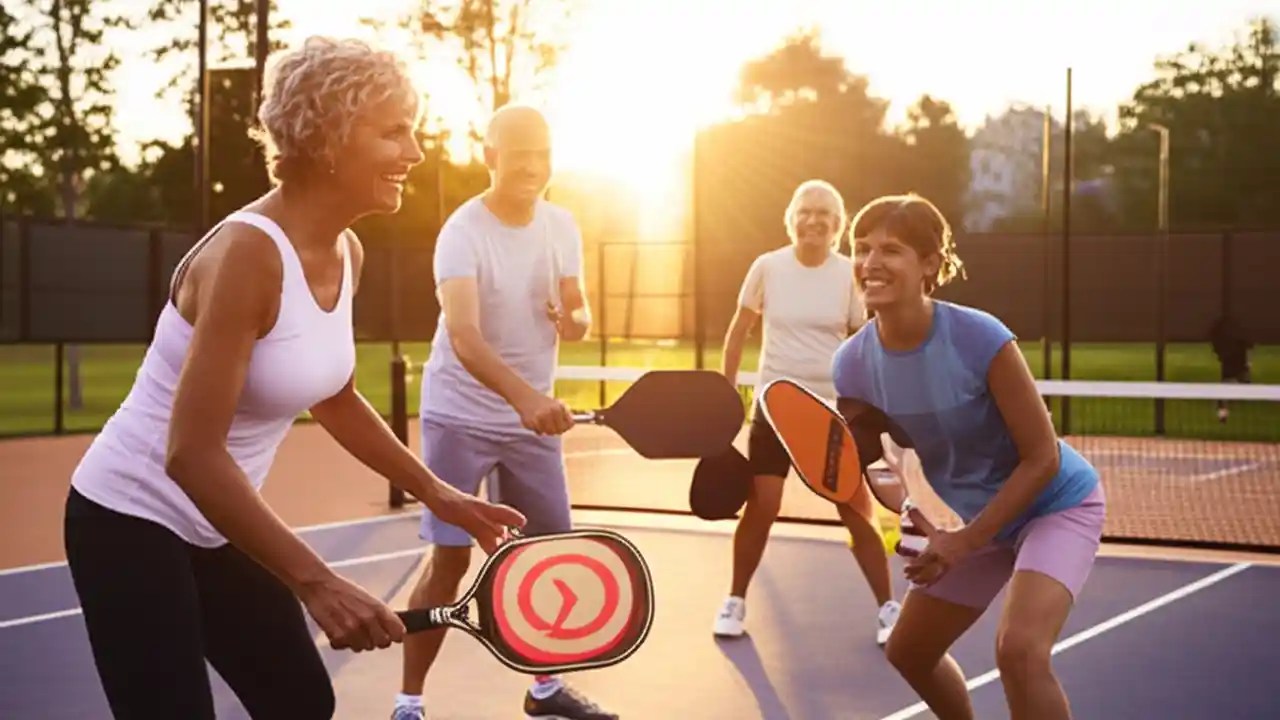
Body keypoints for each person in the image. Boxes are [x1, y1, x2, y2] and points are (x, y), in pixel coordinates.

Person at [61, 37, 526, 720]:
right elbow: (190, 453)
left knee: (300, 700)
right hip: (127, 520)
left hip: (211, 524)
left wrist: (441, 495)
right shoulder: (248, 255)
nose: (416, 153)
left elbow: (332, 394)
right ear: (331, 137)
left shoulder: (347, 250)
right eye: (395, 131)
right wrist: (316, 582)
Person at [832, 193, 1105, 720]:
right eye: (861, 248)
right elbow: (881, 462)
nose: (870, 262)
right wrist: (920, 514)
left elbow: (1042, 456)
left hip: (1055, 504)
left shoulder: (979, 337)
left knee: (1019, 651)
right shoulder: (852, 366)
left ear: (929, 264)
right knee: (909, 651)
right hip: (969, 522)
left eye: (890, 249)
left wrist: (965, 542)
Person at [393, 104, 614, 720]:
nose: (531, 163)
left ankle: (544, 689)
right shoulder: (462, 232)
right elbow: (464, 336)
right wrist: (527, 400)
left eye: (541, 151)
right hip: (460, 417)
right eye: (517, 150)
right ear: (490, 156)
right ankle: (408, 702)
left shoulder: (561, 225)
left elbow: (579, 308)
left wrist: (574, 319)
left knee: (547, 557)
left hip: (532, 424)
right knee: (451, 562)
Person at [714, 179, 901, 646]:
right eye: (806, 211)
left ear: (837, 226)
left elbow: (864, 344)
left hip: (832, 415)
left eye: (824, 214)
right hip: (773, 411)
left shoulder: (848, 275)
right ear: (791, 219)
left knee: (856, 511)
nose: (814, 220)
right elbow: (738, 331)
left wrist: (869, 413)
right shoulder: (767, 267)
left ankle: (888, 608)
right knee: (763, 506)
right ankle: (734, 601)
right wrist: (725, 394)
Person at [1209, 313, 1253, 422]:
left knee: (1226, 390)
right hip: (1233, 370)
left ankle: (1223, 413)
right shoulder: (1236, 346)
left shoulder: (1233, 348)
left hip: (1234, 371)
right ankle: (1223, 413)